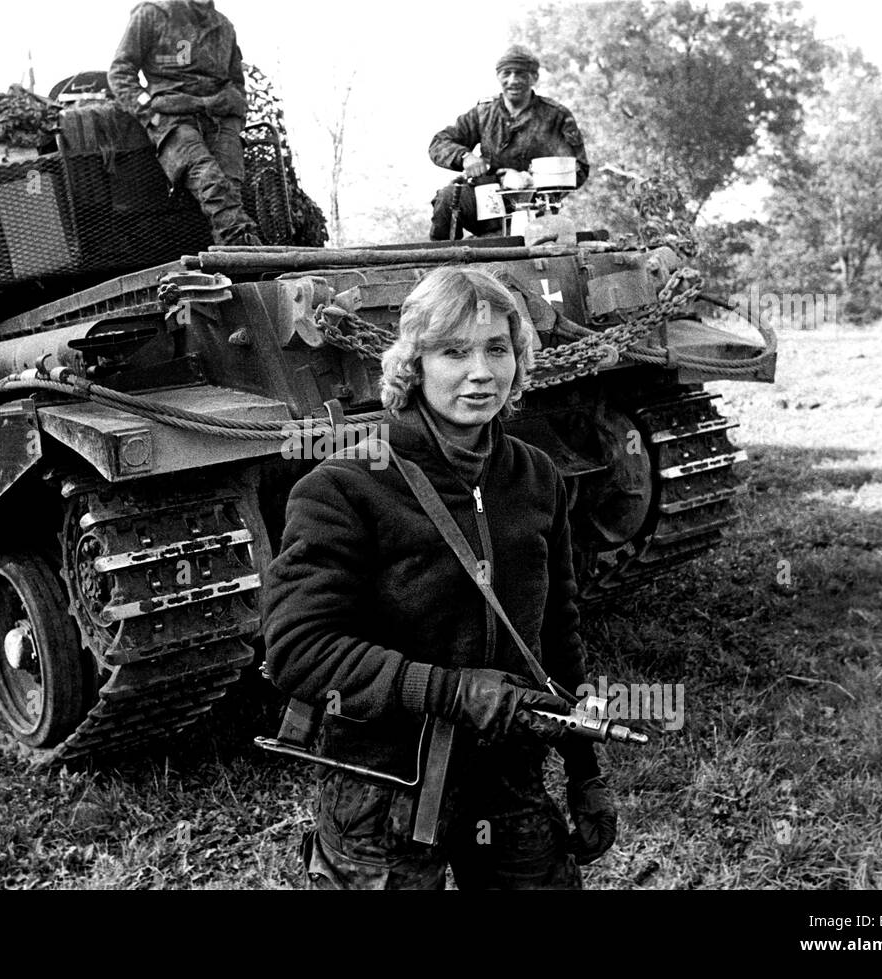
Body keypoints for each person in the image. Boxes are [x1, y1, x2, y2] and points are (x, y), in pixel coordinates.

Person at [263, 266, 617, 889]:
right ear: (413, 363)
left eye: (497, 349)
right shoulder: (344, 485)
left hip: (507, 772)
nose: (480, 372)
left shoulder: (535, 477)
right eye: (453, 351)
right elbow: (300, 650)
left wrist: (585, 770)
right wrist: (457, 693)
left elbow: (556, 632)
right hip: (383, 782)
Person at [107, 0, 262, 246]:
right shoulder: (153, 14)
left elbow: (236, 81)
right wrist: (150, 114)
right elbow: (120, 72)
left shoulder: (223, 25)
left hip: (219, 116)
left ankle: (236, 263)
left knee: (230, 188)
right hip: (172, 117)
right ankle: (246, 246)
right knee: (209, 178)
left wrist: (234, 119)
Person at [428, 45, 590, 240]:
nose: (513, 80)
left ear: (534, 78)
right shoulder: (483, 113)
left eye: (521, 74)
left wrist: (531, 180)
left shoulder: (555, 116)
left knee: (524, 238)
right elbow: (439, 143)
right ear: (499, 77)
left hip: (534, 206)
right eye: (507, 73)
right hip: (486, 202)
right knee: (447, 197)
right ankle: (441, 261)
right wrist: (465, 157)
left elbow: (578, 168)